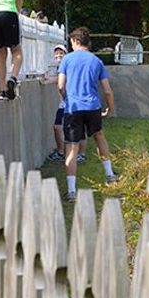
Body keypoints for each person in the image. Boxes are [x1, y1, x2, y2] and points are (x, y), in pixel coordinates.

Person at [57, 27, 116, 202]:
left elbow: (60, 85)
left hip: (73, 107)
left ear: (76, 41)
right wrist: (110, 108)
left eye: (71, 42)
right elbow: (107, 90)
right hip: (93, 106)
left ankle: (71, 191)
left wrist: (66, 98)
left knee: (72, 147)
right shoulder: (97, 61)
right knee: (99, 137)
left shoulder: (67, 59)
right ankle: (110, 176)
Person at [47, 44, 86, 163]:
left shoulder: (69, 65)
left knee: (77, 127)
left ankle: (81, 154)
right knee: (57, 126)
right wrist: (46, 79)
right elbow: (58, 79)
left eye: (61, 53)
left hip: (74, 102)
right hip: (64, 103)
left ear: (66, 54)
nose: (58, 56)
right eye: (56, 53)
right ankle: (61, 153)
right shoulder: (59, 67)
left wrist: (49, 79)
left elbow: (62, 81)